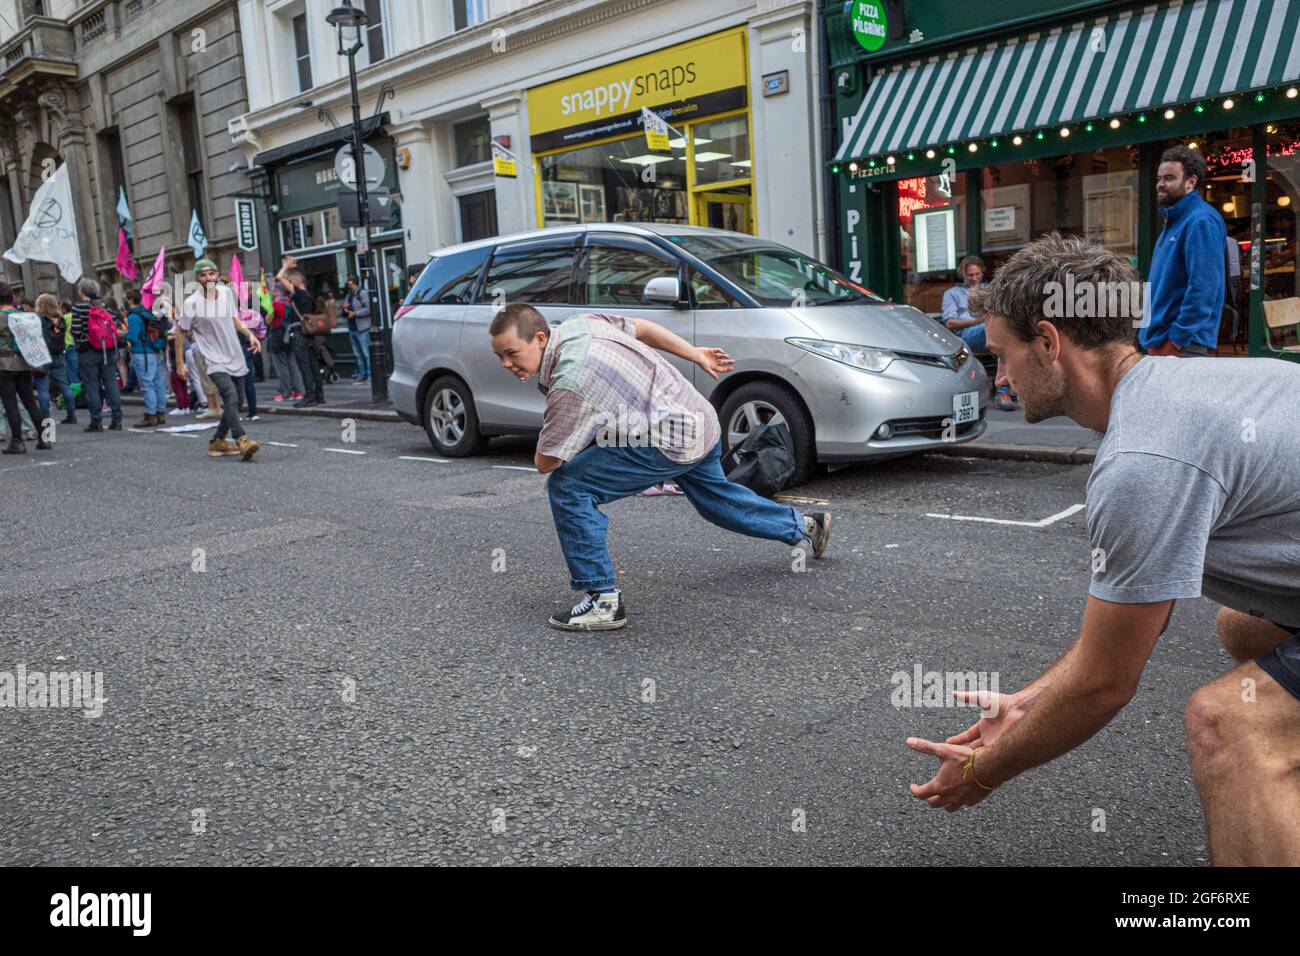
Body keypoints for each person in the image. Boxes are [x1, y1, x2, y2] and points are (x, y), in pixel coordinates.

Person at [905, 233, 1300, 866]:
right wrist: (1030, 702)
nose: (999, 378)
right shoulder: (1181, 386)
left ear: (1049, 342)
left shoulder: (1142, 463)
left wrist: (982, 772)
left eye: (1002, 356)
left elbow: (1104, 684)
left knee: (1228, 726)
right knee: (1244, 628)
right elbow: (1134, 623)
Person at [488, 303, 832, 632]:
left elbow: (546, 462)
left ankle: (602, 599)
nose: (505, 363)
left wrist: (576, 431)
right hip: (695, 417)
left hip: (665, 440)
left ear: (541, 339)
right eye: (499, 356)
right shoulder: (582, 324)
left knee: (569, 486)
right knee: (718, 504)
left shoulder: (570, 382)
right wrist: (694, 353)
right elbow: (646, 329)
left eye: (511, 353)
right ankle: (805, 524)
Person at [1141, 145, 1226, 357]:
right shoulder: (1172, 220)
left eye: (1169, 178)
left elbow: (1204, 288)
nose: (1161, 184)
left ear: (1191, 182)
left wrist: (1176, 341)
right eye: (1159, 178)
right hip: (1160, 341)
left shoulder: (1200, 221)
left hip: (1183, 346)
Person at [180, 259, 261, 461]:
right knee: (230, 394)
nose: (208, 278)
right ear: (197, 278)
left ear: (217, 275)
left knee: (238, 401)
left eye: (211, 274)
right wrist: (180, 362)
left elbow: (234, 319)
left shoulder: (225, 292)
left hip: (234, 353)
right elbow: (181, 332)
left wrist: (249, 334)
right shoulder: (191, 304)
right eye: (203, 275)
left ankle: (217, 441)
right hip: (212, 358)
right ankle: (241, 439)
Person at [943, 255, 1016, 411]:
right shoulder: (952, 293)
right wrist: (978, 321)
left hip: (994, 332)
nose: (974, 278)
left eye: (977, 274)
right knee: (1000, 328)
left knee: (1010, 330)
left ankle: (1013, 388)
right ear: (963, 274)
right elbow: (950, 323)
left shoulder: (989, 290)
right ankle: (1003, 391)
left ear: (982, 273)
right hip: (967, 336)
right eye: (970, 275)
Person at [0, 282, 51, 453]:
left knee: (10, 404)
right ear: (12, 298)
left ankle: (17, 441)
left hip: (4, 364)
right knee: (30, 401)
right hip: (24, 364)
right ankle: (46, 438)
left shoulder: (1, 317)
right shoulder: (24, 316)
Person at [69, 277, 123, 432]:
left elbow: (76, 330)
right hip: (107, 350)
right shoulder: (103, 307)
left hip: (87, 352)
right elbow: (114, 326)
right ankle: (117, 420)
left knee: (92, 386)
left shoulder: (79, 308)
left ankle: (96, 421)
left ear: (81, 291)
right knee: (111, 383)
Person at [276, 256, 325, 408]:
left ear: (296, 282)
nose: (287, 285)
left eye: (290, 282)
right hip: (310, 334)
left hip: (299, 334)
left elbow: (278, 277)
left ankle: (309, 396)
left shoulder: (299, 294)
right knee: (313, 365)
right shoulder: (309, 295)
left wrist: (286, 266)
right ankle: (319, 396)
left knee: (304, 366)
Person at [124, 288, 169, 427]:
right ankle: (161, 413)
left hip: (142, 353)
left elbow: (133, 336)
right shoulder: (147, 313)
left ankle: (151, 415)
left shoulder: (133, 316)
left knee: (147, 385)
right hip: (155, 351)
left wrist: (125, 336)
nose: (125, 301)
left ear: (131, 300)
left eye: (126, 298)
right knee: (157, 383)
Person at [32, 293, 76, 426]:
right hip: (59, 356)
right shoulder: (60, 319)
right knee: (65, 387)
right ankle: (71, 415)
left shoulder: (39, 320)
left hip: (44, 357)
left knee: (43, 390)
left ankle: (45, 421)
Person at [266, 289, 304, 402]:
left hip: (278, 337)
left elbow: (268, 320)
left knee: (281, 366)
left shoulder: (276, 304)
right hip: (291, 335)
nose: (273, 292)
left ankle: (286, 392)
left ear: (280, 292)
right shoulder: (291, 303)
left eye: (275, 290)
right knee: (293, 365)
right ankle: (299, 391)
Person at [341, 274, 371, 383]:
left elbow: (369, 309)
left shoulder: (362, 293)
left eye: (349, 281)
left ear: (352, 282)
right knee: (358, 354)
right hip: (352, 328)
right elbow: (344, 309)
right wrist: (344, 309)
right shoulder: (349, 295)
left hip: (362, 328)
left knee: (366, 353)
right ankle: (362, 374)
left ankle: (370, 375)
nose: (347, 283)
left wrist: (355, 313)